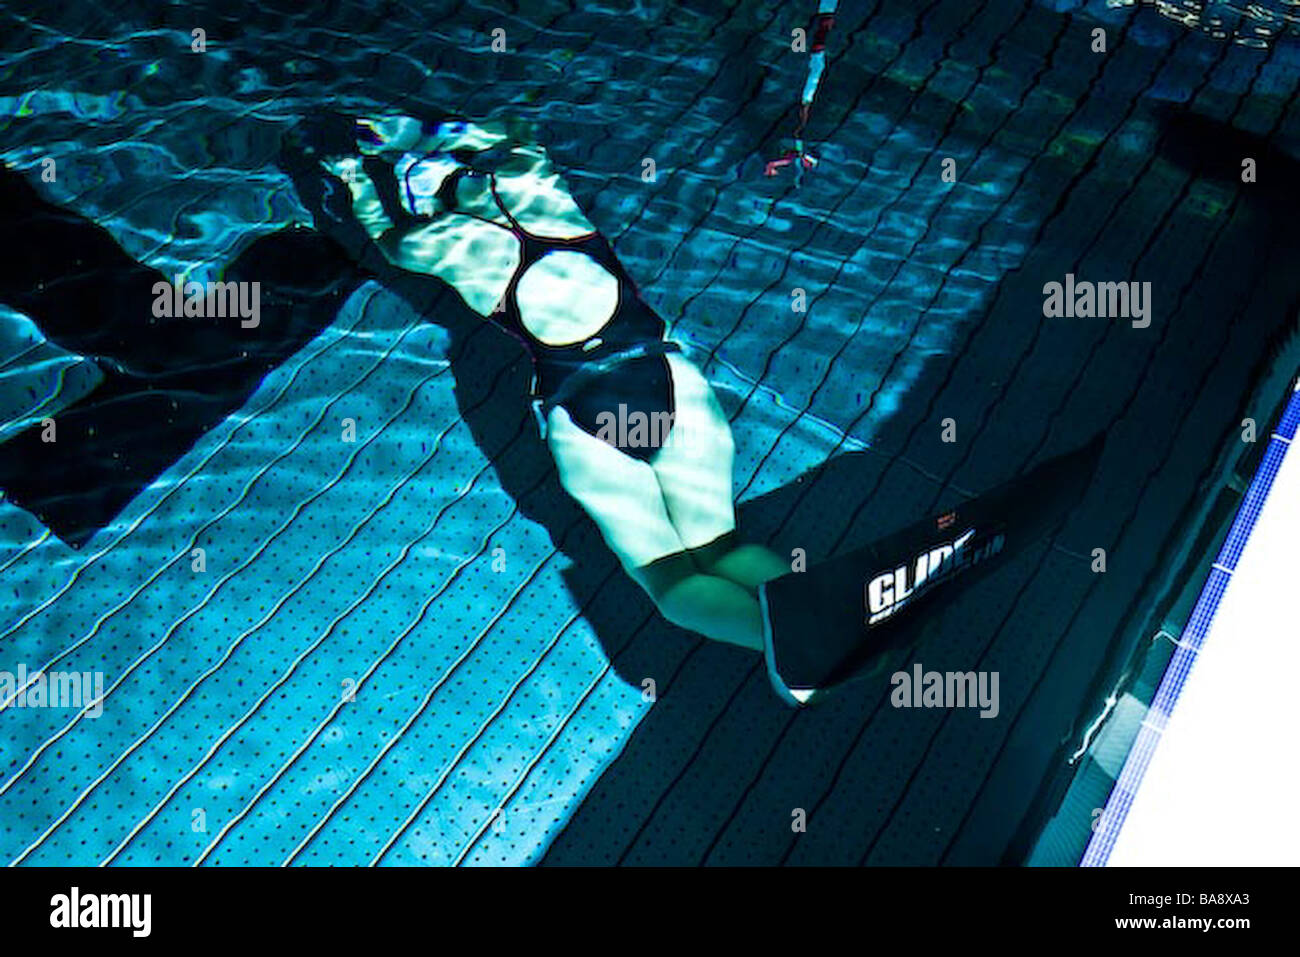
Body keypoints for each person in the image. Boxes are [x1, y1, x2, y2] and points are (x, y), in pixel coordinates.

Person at [289, 112, 790, 651]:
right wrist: (402, 132)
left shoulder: (436, 242)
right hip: (666, 377)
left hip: (581, 407)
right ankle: (814, 618)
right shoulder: (536, 181)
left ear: (433, 205)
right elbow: (499, 132)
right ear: (476, 172)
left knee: (672, 582)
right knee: (721, 547)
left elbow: (384, 238)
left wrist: (353, 178)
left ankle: (773, 642)